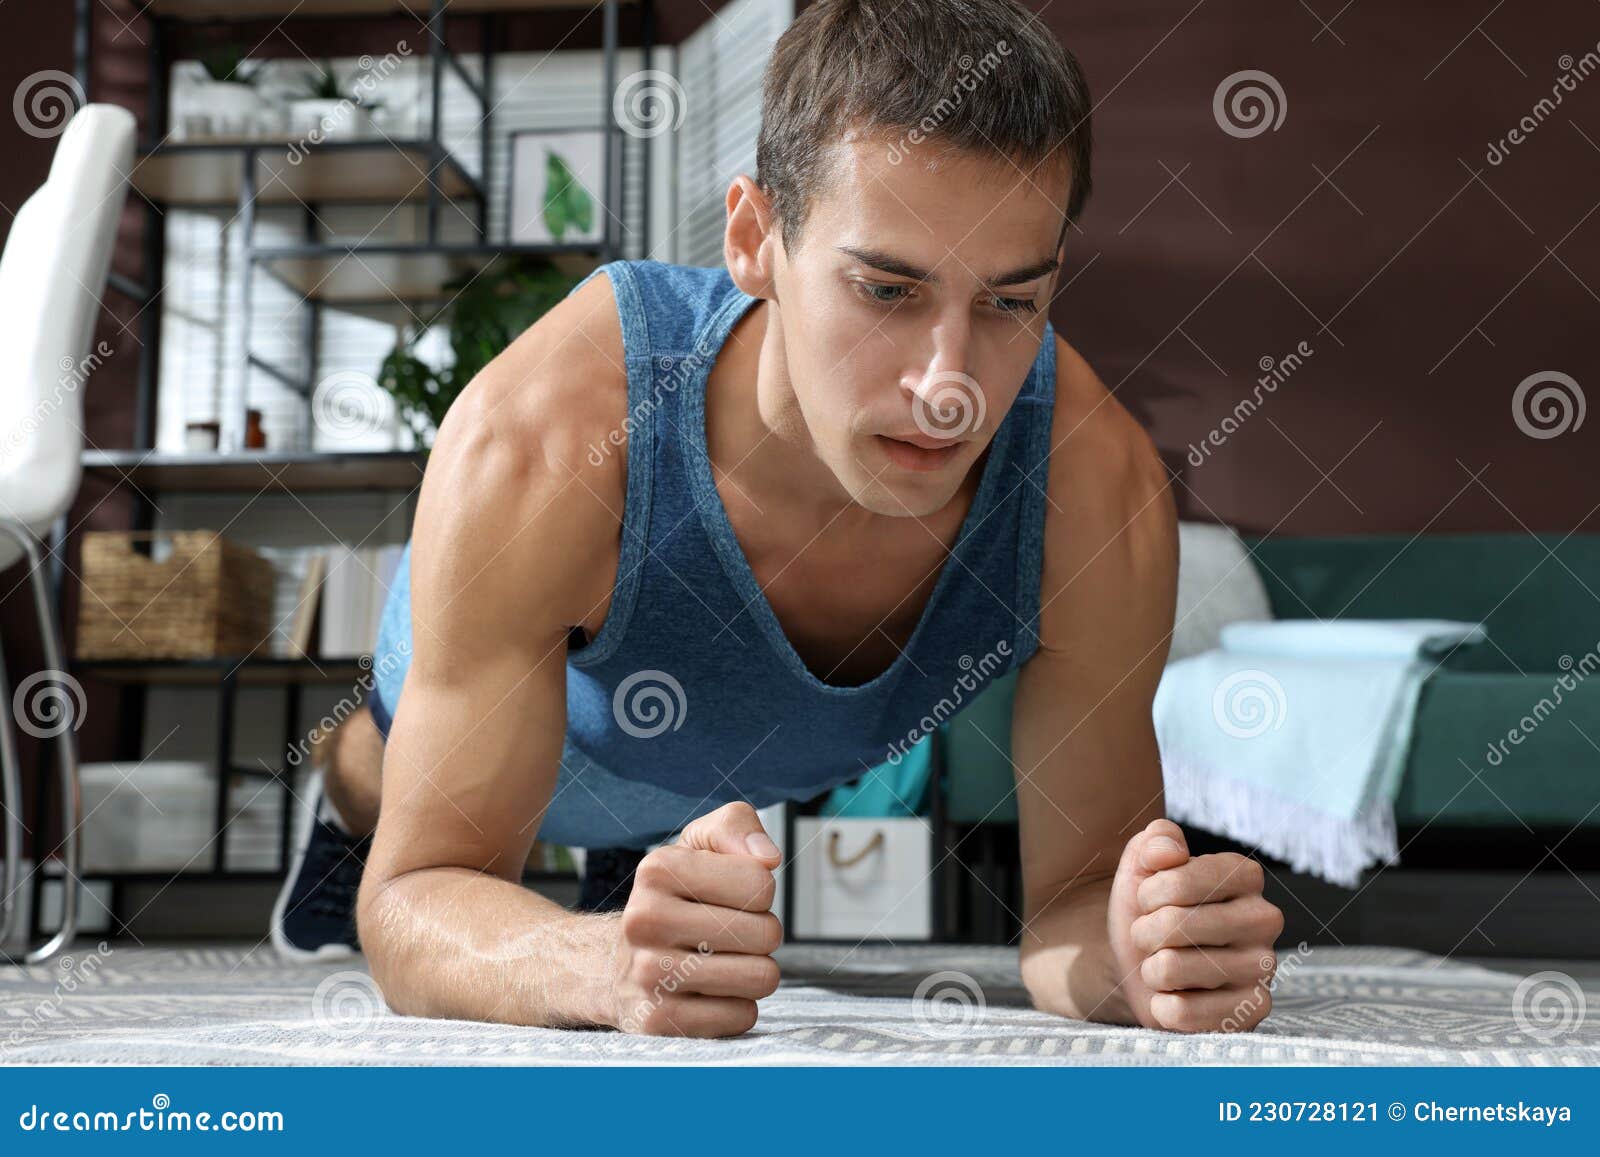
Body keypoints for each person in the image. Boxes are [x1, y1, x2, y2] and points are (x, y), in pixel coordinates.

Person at [272, 0, 1284, 1037]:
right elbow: (417, 893)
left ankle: (645, 872)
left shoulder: (1098, 489)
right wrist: (595, 964)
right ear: (755, 239)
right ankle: (348, 796)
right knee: (385, 764)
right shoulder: (547, 433)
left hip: (721, 765)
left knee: (662, 876)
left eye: (1010, 301)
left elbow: (1073, 906)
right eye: (886, 290)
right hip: (544, 718)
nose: (949, 387)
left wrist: (1133, 956)